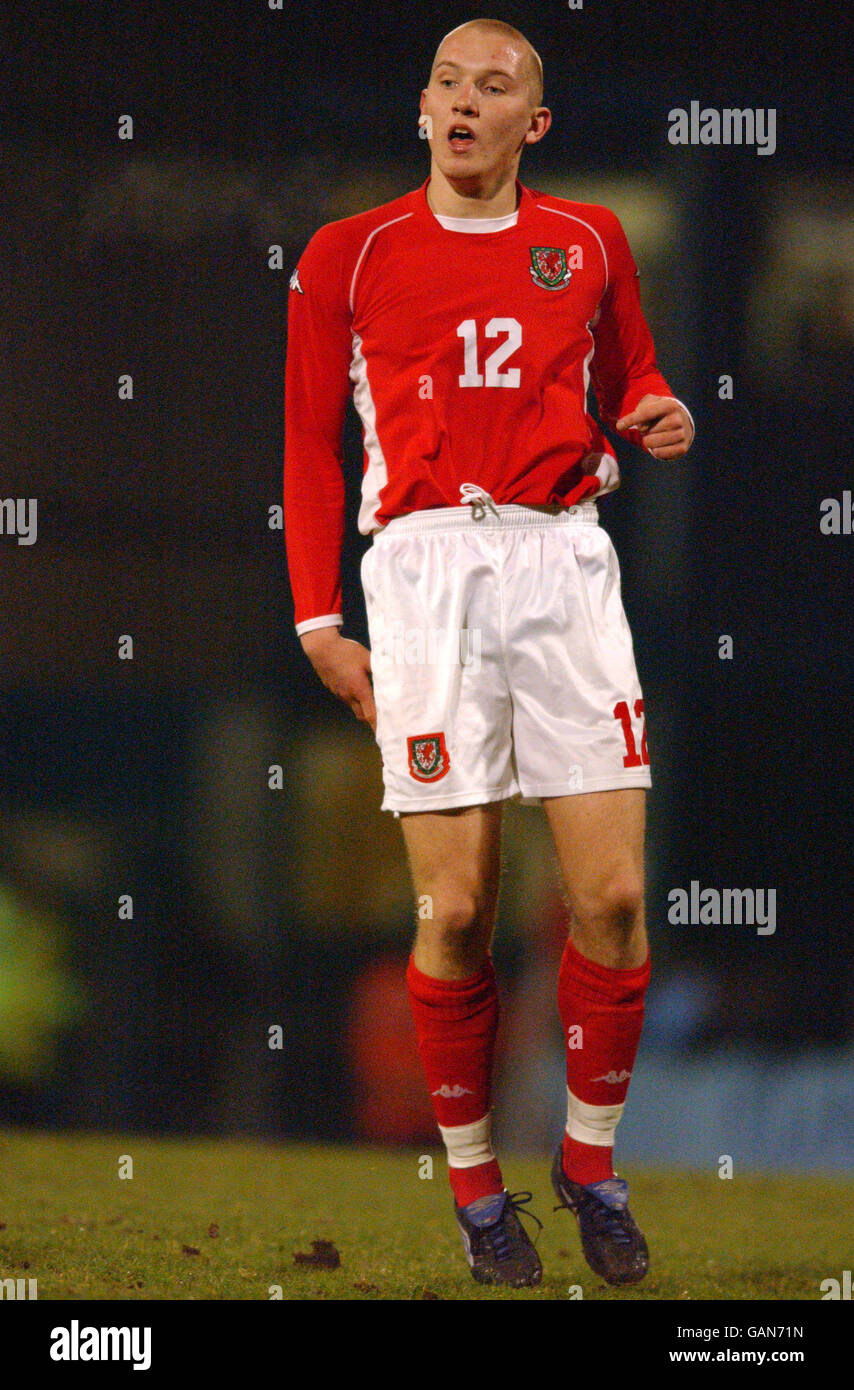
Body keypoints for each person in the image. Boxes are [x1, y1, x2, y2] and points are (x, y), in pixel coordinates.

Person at [284, 17, 694, 1289]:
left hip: (561, 562)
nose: (466, 102)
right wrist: (318, 621)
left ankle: (586, 1163)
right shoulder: (347, 255)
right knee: (455, 907)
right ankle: (475, 1195)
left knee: (614, 899)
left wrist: (657, 412)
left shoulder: (588, 242)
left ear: (537, 123)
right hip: (420, 575)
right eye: (447, 83)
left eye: (495, 86)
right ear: (421, 107)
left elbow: (635, 382)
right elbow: (308, 446)